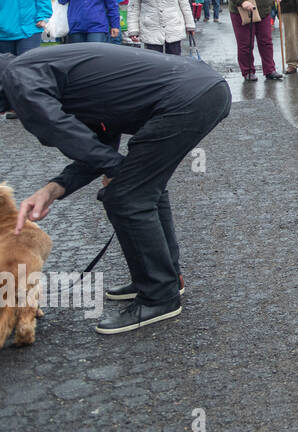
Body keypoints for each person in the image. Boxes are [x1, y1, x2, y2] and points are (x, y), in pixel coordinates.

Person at [2, 44, 231, 334]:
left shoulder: (17, 78)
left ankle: (160, 296)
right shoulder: (38, 68)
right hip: (202, 90)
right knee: (140, 189)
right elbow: (98, 141)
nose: (14, 113)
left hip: (186, 100)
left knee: (127, 196)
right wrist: (53, 189)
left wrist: (115, 169)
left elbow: (58, 128)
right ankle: (166, 277)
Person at [226, 0, 282, 81]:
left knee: (266, 42)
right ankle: (248, 71)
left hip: (263, 10)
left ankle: (270, 70)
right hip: (243, 12)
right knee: (246, 44)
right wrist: (242, 2)